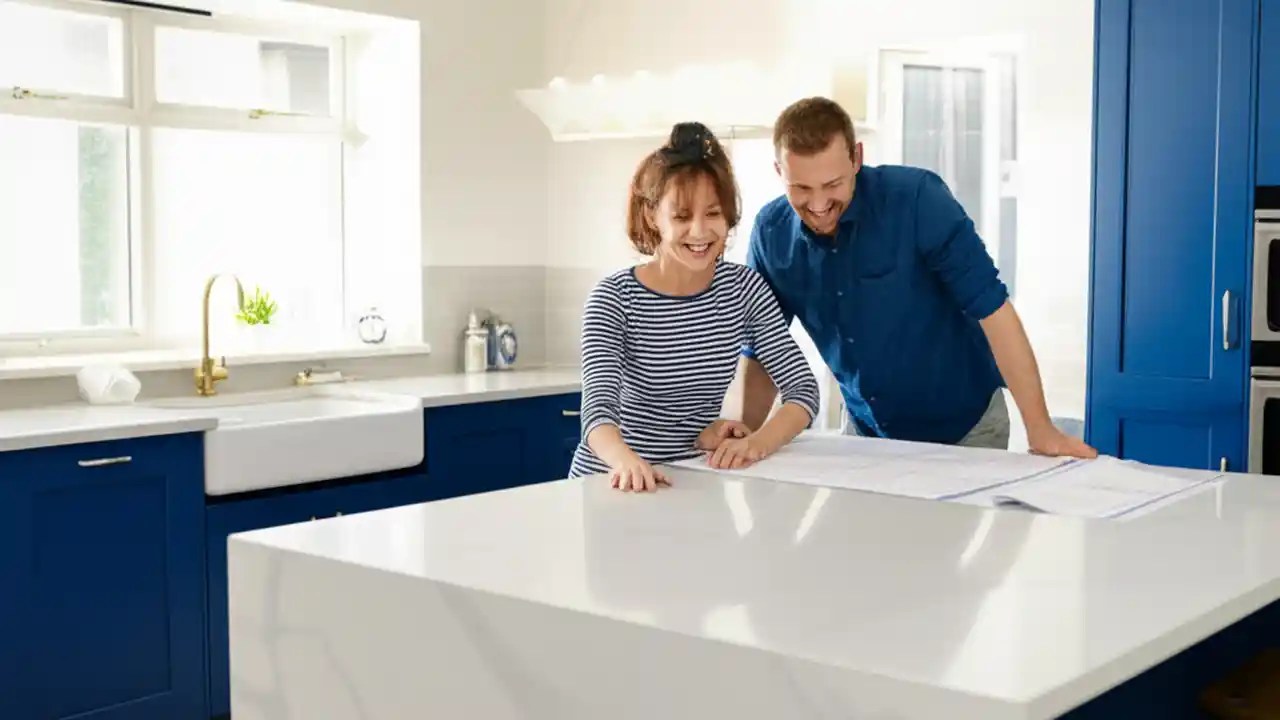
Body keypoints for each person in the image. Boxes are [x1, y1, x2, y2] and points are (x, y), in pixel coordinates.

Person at [738, 97, 1096, 458]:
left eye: (832, 184)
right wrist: (745, 435)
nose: (817, 205)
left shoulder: (917, 200)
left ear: (857, 157)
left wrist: (1040, 430)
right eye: (801, 189)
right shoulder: (771, 233)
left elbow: (993, 310)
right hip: (865, 432)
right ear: (778, 171)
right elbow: (762, 347)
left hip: (965, 430)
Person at [569, 122, 821, 492]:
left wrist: (753, 444)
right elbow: (597, 416)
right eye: (682, 217)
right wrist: (627, 460)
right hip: (609, 485)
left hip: (691, 482)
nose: (701, 232)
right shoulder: (613, 298)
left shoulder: (743, 289)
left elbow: (803, 389)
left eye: (713, 214)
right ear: (653, 216)